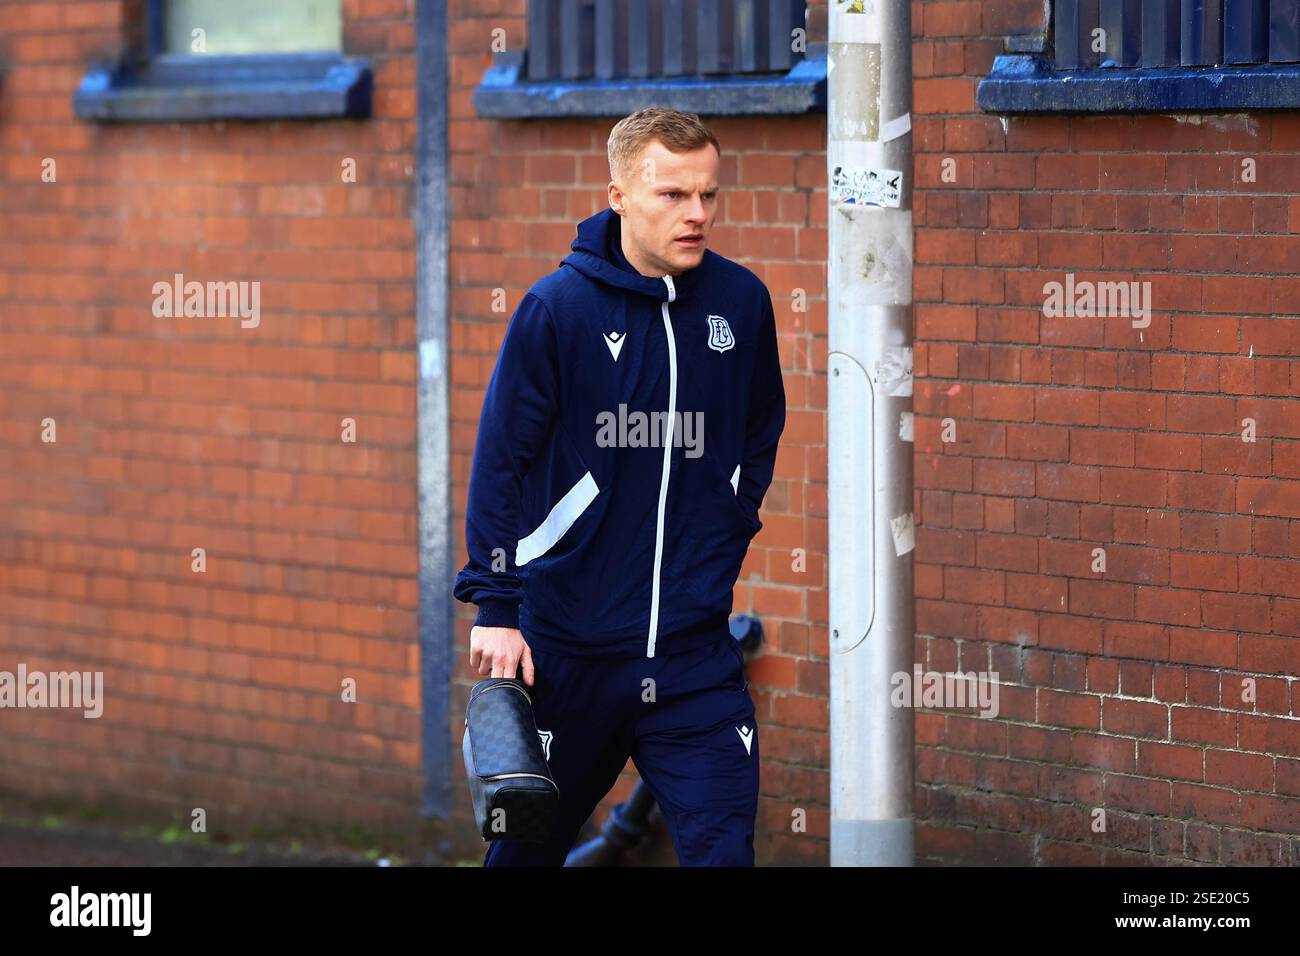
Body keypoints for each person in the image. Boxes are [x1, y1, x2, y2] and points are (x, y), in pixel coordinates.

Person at [453, 108, 786, 866]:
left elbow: (762, 421)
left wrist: (732, 511)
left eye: (707, 196)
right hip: (569, 654)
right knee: (523, 856)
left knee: (723, 851)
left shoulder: (740, 302)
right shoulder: (557, 310)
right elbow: (501, 461)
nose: (696, 214)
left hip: (693, 657)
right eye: (673, 195)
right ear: (619, 195)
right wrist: (496, 607)